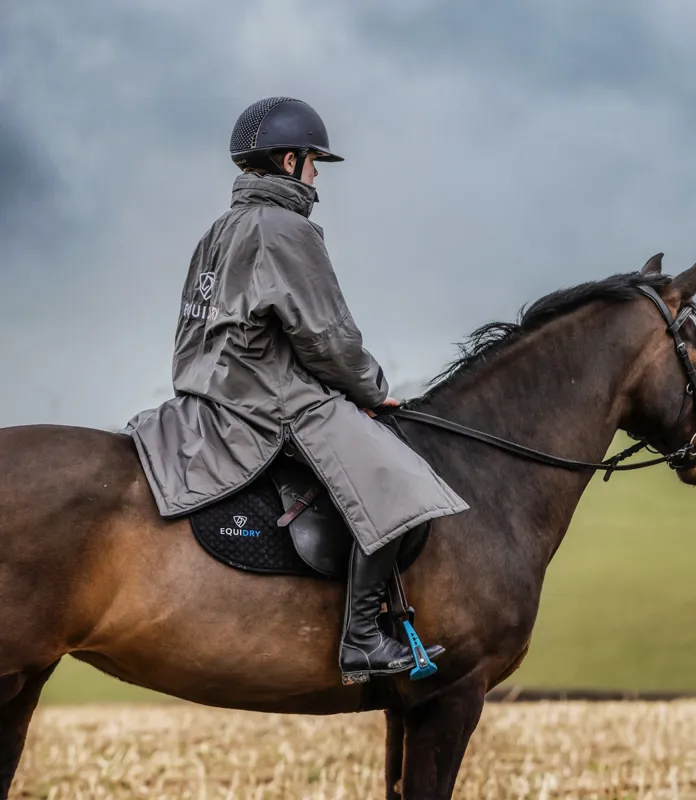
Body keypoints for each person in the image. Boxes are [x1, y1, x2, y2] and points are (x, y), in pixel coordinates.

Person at [124, 97, 469, 683]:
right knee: (399, 483)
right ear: (290, 161)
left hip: (207, 393)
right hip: (270, 400)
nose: (316, 178)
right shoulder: (286, 230)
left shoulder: (219, 230)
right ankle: (362, 639)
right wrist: (371, 389)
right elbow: (327, 338)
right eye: (314, 164)